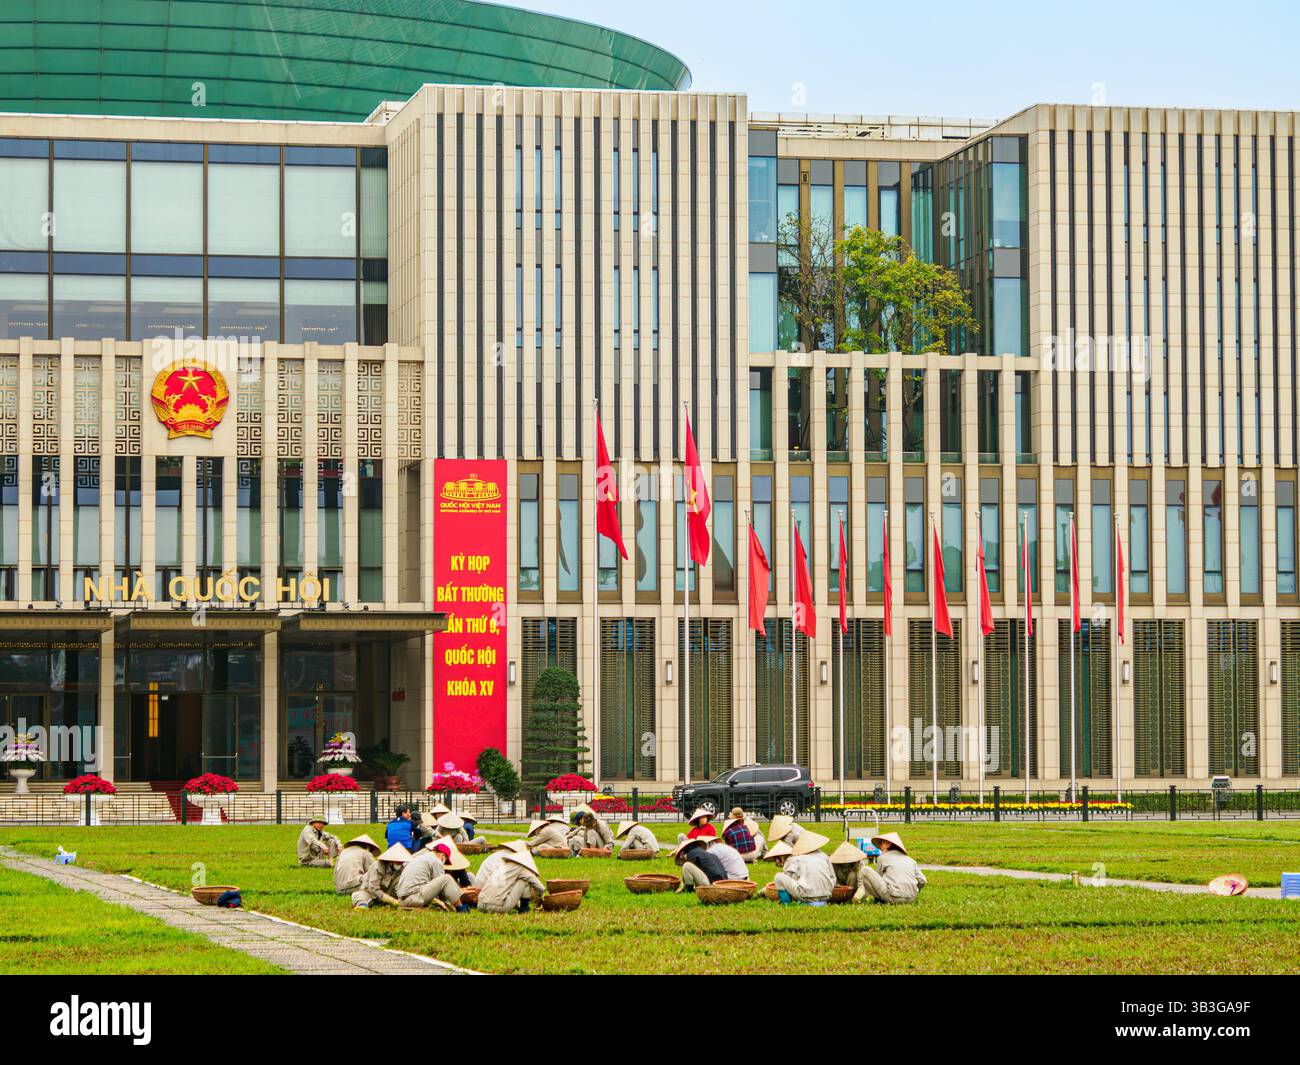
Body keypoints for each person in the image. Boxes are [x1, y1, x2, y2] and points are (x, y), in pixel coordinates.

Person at [856, 832, 926, 904]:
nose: (880, 846)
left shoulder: (882, 858)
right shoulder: (911, 860)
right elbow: (923, 880)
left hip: (893, 897)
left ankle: (861, 895)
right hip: (912, 899)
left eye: (881, 843)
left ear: (888, 844)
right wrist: (914, 891)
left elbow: (878, 878)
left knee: (865, 870)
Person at [396, 841, 466, 912]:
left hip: (402, 900)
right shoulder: (436, 861)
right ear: (442, 856)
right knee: (446, 878)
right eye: (445, 861)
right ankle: (460, 908)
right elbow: (442, 889)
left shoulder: (423, 857)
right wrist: (450, 904)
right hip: (414, 898)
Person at [767, 831, 834, 904]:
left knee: (778, 877)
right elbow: (833, 877)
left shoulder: (796, 858)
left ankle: (785, 903)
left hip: (808, 896)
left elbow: (788, 878)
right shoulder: (824, 856)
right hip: (827, 895)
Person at [476, 847, 546, 914]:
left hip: (480, 905)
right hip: (497, 907)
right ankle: (524, 909)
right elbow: (540, 887)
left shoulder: (502, 866)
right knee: (524, 880)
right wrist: (541, 897)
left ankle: (520, 907)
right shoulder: (521, 868)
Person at [351, 843, 411, 908]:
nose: (400, 864)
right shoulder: (377, 867)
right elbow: (373, 889)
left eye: (401, 862)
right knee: (357, 895)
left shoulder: (401, 869)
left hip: (389, 894)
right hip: (370, 894)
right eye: (398, 862)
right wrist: (391, 900)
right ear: (391, 860)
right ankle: (363, 906)